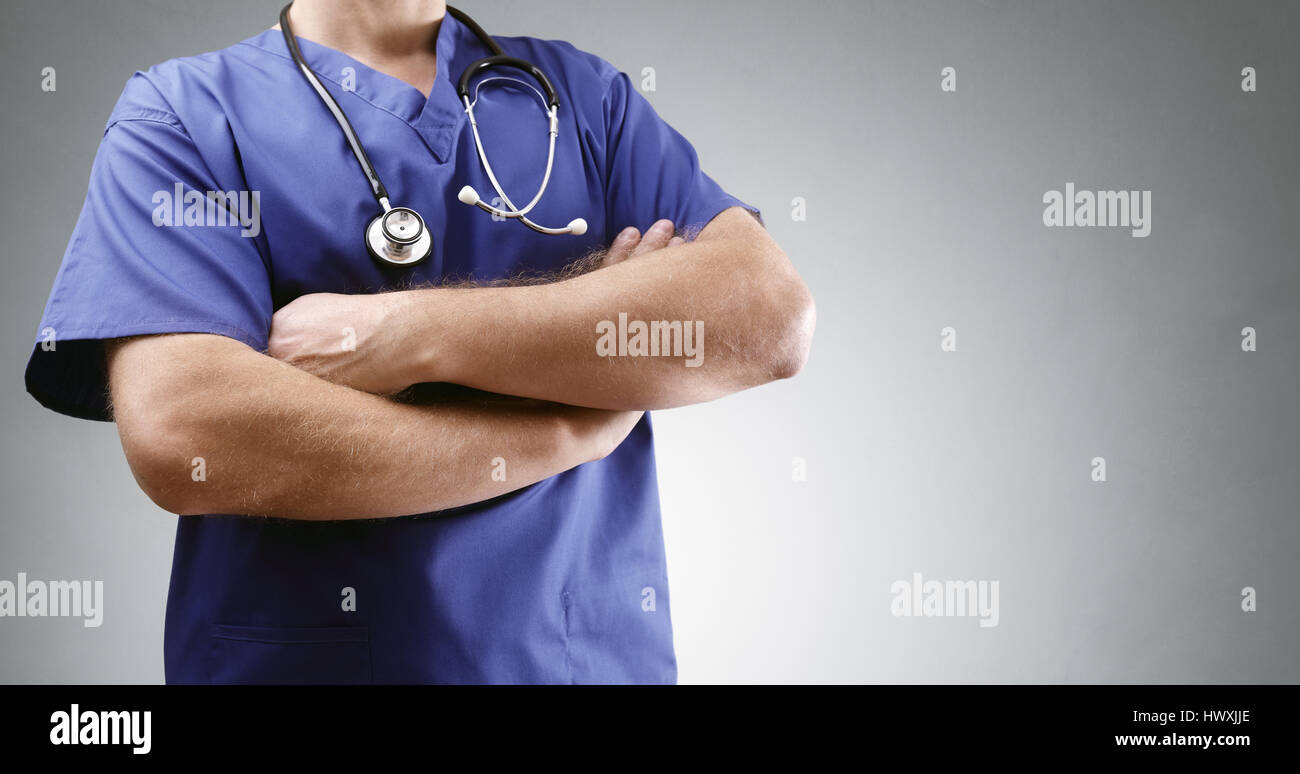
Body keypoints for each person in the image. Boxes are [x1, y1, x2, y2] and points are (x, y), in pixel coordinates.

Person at [25, 0, 815, 684]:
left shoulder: (582, 100)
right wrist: (568, 426)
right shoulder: (184, 117)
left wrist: (400, 334)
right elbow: (186, 429)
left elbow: (766, 318)